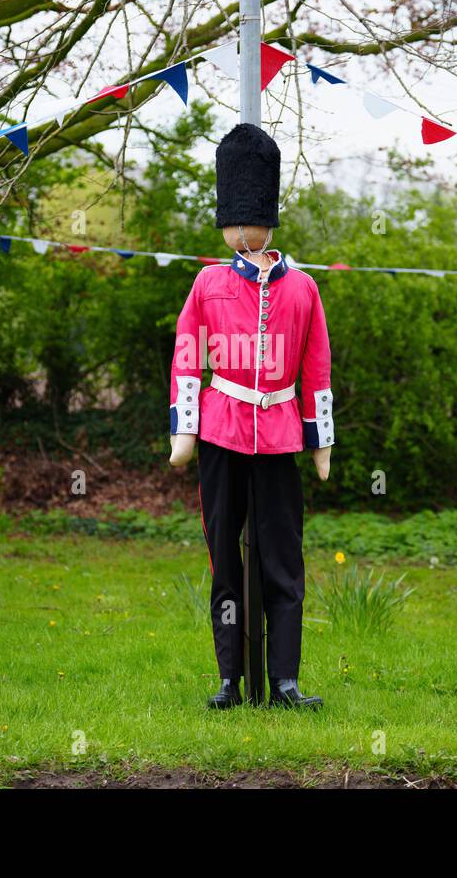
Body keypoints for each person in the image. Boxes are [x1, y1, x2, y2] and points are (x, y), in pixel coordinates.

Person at [167, 123, 333, 709]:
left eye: (250, 222)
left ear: (267, 221)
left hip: (281, 434)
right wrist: (184, 431)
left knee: (284, 561)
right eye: (236, 223)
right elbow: (187, 354)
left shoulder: (304, 288)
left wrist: (321, 441)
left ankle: (285, 680)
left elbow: (316, 367)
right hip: (220, 434)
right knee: (225, 562)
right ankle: (229, 678)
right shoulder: (208, 283)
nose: (242, 233)